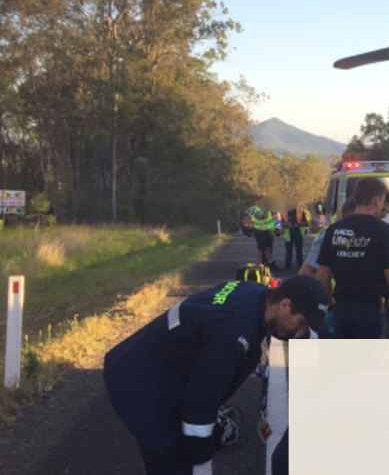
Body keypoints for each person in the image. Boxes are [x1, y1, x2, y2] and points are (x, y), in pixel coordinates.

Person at [104, 275, 330, 475]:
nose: (301, 330)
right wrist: (201, 460)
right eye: (301, 323)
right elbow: (200, 401)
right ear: (284, 304)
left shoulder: (255, 293)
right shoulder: (233, 331)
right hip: (144, 382)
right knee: (173, 457)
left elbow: (277, 329)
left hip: (150, 356)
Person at [316, 176, 389, 339]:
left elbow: (323, 275)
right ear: (377, 201)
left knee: (345, 363)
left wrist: (328, 307)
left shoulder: (334, 230)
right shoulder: (383, 232)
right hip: (372, 314)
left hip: (342, 311)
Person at [249, 195, 277, 268]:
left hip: (268, 232)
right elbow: (264, 216)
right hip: (260, 232)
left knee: (268, 249)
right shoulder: (257, 210)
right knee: (261, 249)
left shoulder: (267, 209)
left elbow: (272, 218)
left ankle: (270, 263)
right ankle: (259, 263)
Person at [283, 201, 310, 270]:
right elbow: (281, 223)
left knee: (299, 250)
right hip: (288, 233)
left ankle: (300, 265)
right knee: (288, 250)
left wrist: (298, 224)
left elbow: (306, 223)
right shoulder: (285, 212)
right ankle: (287, 266)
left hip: (297, 232)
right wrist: (287, 225)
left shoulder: (300, 211)